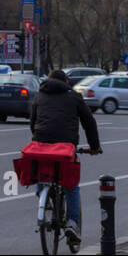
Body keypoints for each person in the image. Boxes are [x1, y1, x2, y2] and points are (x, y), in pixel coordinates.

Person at [29, 69, 102, 246]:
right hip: (66, 146)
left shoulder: (39, 96)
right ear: (66, 82)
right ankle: (71, 223)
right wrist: (94, 147)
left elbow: (33, 122)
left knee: (41, 165)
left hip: (42, 142)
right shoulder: (74, 97)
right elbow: (89, 122)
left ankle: (43, 195)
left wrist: (39, 137)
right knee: (71, 185)